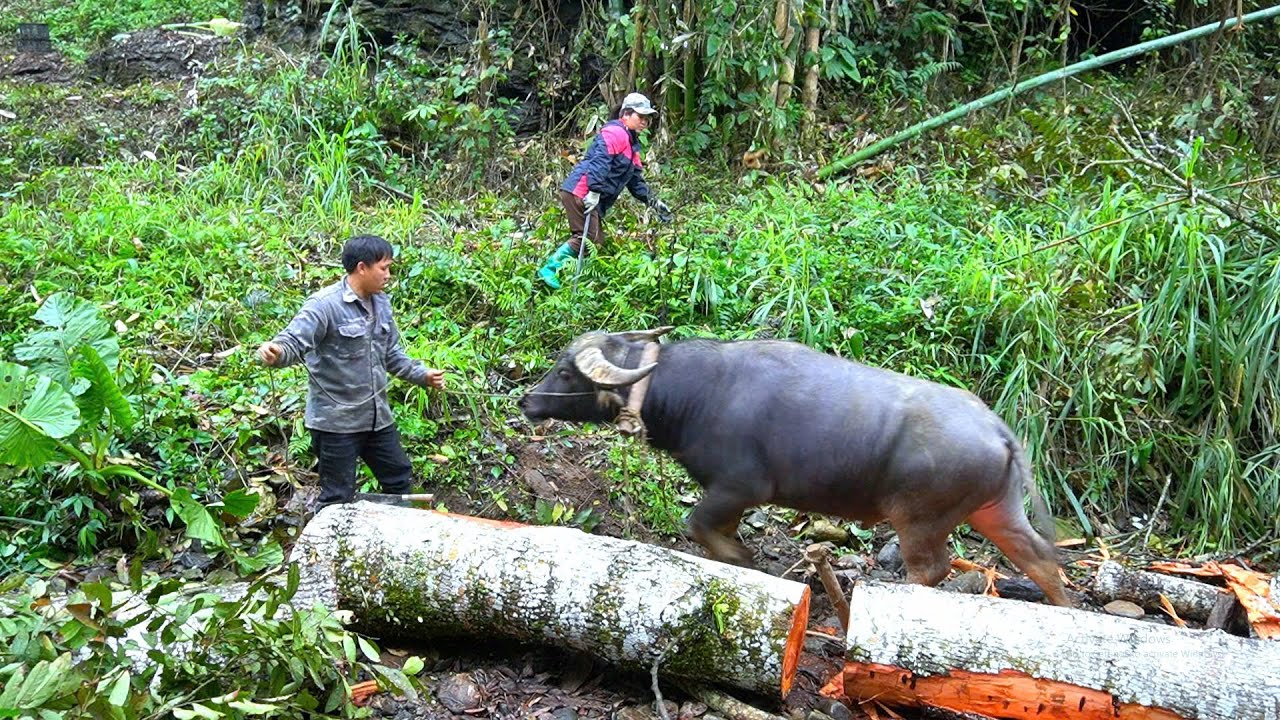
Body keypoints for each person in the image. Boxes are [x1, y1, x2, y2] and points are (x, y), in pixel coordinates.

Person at [257, 234, 445, 508]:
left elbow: (391, 353)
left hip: (376, 419)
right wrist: (275, 353)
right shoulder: (324, 305)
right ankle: (330, 547)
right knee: (338, 496)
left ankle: (396, 540)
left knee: (398, 478)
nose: (388, 275)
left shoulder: (381, 303)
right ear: (361, 267)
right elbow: (293, 341)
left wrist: (422, 375)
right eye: (383, 268)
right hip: (336, 424)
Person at [537, 92, 674, 289]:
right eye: (640, 117)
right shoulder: (615, 133)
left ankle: (571, 281)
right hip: (581, 191)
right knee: (588, 239)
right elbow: (600, 161)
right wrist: (593, 191)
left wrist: (654, 202)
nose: (644, 122)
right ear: (625, 114)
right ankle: (549, 270)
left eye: (647, 118)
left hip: (588, 193)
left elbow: (636, 182)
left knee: (596, 243)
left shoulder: (630, 145)